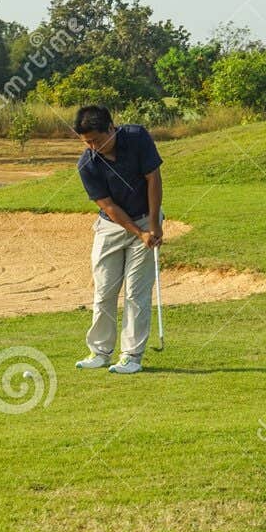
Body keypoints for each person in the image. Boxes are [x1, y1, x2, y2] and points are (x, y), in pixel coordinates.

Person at [72, 104, 162, 375]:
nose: (93, 146)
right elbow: (108, 206)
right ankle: (100, 352)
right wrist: (139, 233)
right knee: (104, 291)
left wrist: (154, 224)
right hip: (111, 226)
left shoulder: (137, 137)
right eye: (87, 142)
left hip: (147, 218)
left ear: (111, 128)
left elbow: (153, 179)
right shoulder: (86, 163)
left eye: (96, 140)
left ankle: (132, 356)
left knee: (136, 292)